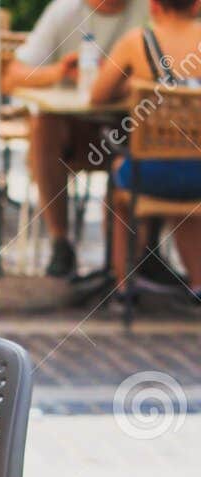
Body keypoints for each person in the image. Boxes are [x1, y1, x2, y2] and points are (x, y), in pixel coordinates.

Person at [5, 0, 150, 276]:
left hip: (130, 125)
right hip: (77, 131)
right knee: (43, 126)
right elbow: (12, 77)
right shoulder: (65, 11)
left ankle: (140, 256)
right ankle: (61, 243)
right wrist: (58, 71)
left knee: (155, 127)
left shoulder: (150, 10)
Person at [91, 0, 201, 290]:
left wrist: (131, 85)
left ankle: (123, 285)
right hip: (198, 177)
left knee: (119, 172)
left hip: (150, 178)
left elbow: (97, 96)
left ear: (153, 6)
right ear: (197, 5)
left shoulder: (137, 42)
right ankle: (198, 285)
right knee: (187, 171)